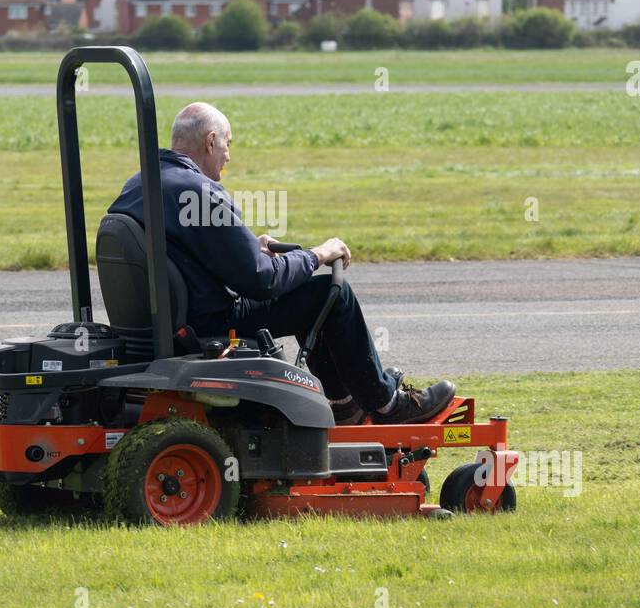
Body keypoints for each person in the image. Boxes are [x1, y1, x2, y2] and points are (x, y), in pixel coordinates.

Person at [106, 101, 455, 425]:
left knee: (303, 289)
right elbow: (262, 280)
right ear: (210, 141)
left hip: (170, 324)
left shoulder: (142, 183)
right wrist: (317, 254)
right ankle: (386, 403)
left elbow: (185, 252)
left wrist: (250, 249)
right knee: (330, 294)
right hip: (210, 326)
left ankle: (343, 403)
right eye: (227, 144)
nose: (228, 155)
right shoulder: (198, 191)